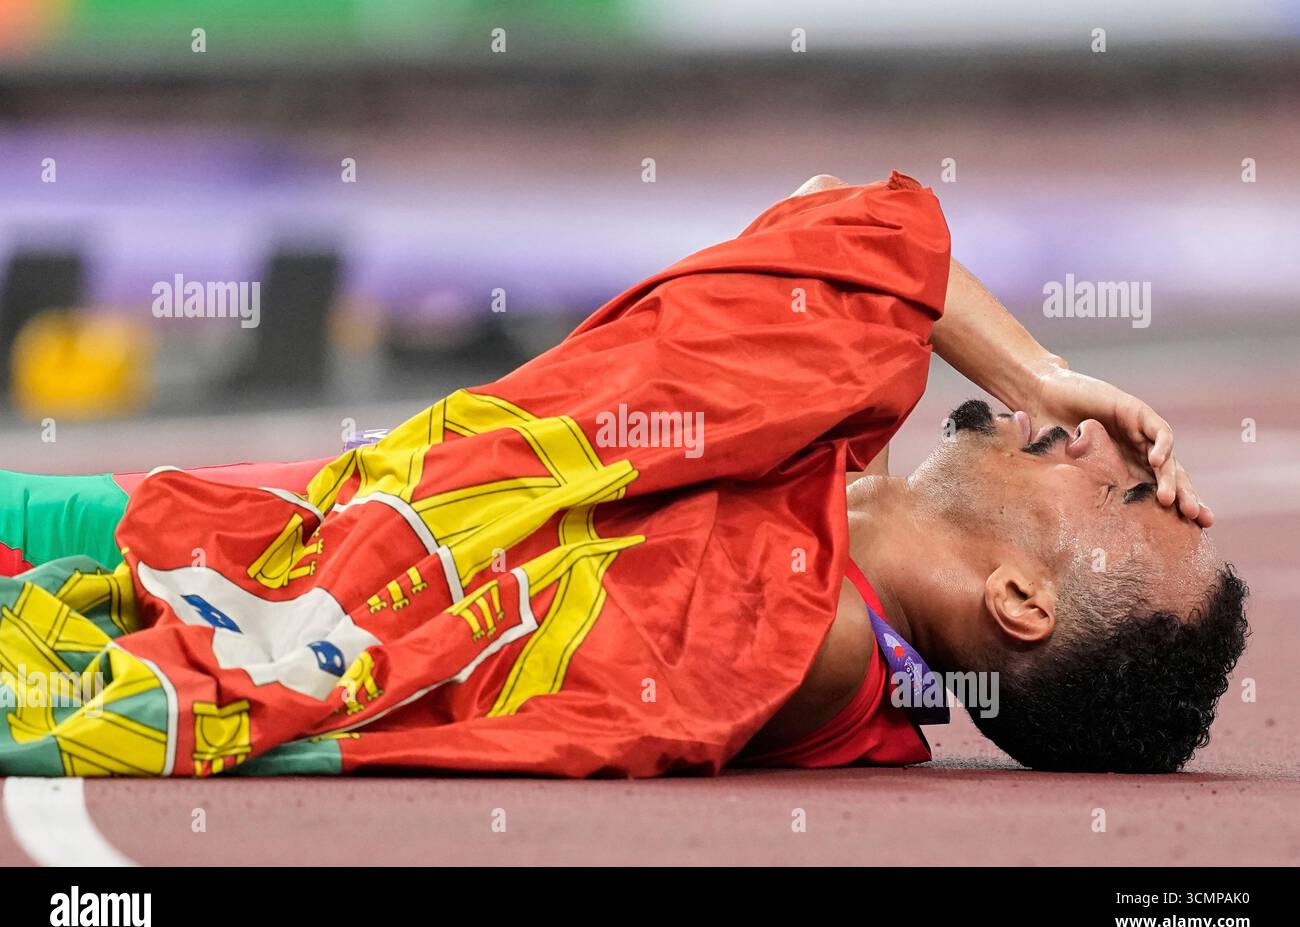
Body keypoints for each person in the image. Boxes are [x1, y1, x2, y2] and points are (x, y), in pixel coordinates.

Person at [0, 171, 1246, 777]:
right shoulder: (822, 519)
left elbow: (842, 238)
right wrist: (1033, 377)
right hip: (201, 528)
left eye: (1123, 493)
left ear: (1021, 604)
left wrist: (1023, 371)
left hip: (168, 589)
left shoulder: (811, 644)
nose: (1107, 441)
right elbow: (832, 223)